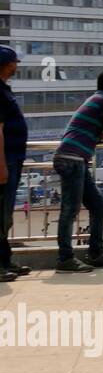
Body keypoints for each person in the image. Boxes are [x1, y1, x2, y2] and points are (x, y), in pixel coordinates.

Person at [52, 69, 103, 272]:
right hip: (72, 159)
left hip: (74, 158)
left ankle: (95, 253)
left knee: (98, 205)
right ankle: (65, 258)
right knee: (69, 210)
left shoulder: (95, 98)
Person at [0, 46, 29, 282]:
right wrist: (1, 165)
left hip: (13, 158)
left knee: (6, 214)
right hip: (5, 159)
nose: (16, 66)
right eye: (14, 63)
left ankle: (6, 261)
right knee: (1, 215)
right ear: (7, 64)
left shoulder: (4, 90)